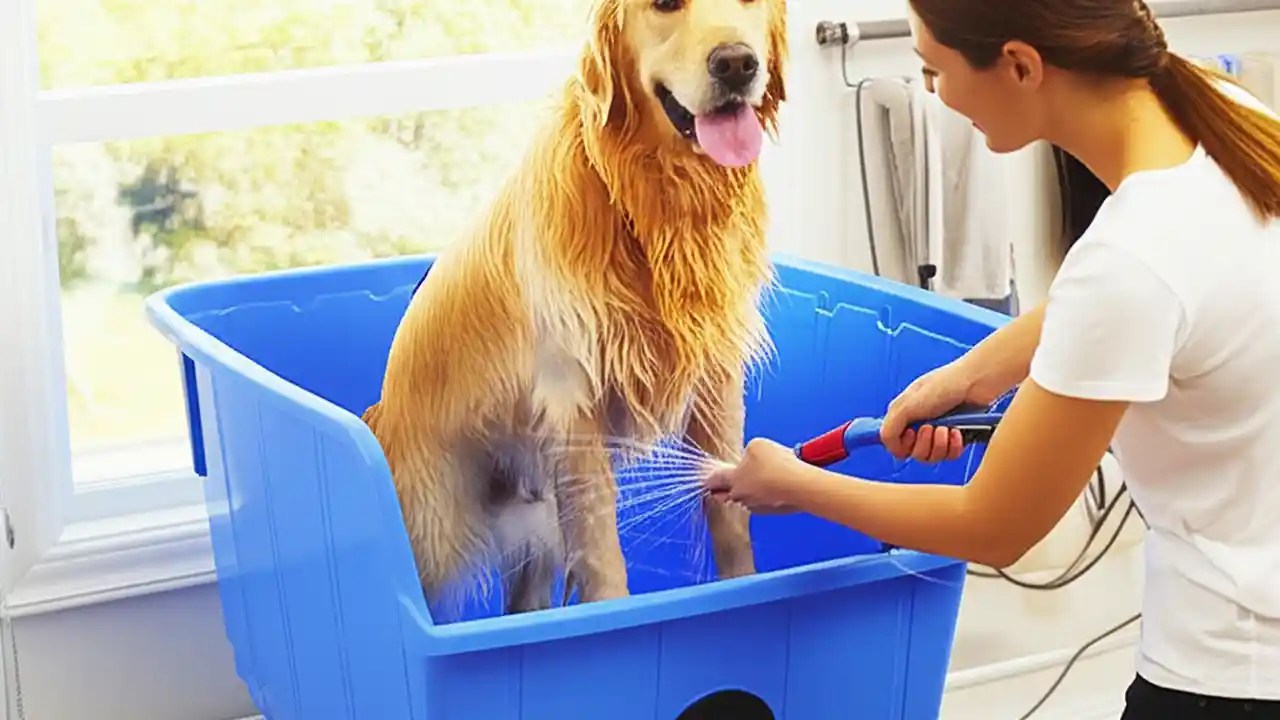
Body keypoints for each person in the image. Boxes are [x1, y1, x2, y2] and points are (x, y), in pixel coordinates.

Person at [703, 0, 1280, 717]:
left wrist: (796, 486)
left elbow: (996, 527)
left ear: (1019, 65)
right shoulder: (1215, 114)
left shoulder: (1130, 260)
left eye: (934, 70)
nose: (935, 94)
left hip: (1230, 680)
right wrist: (972, 374)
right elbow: (1158, 286)